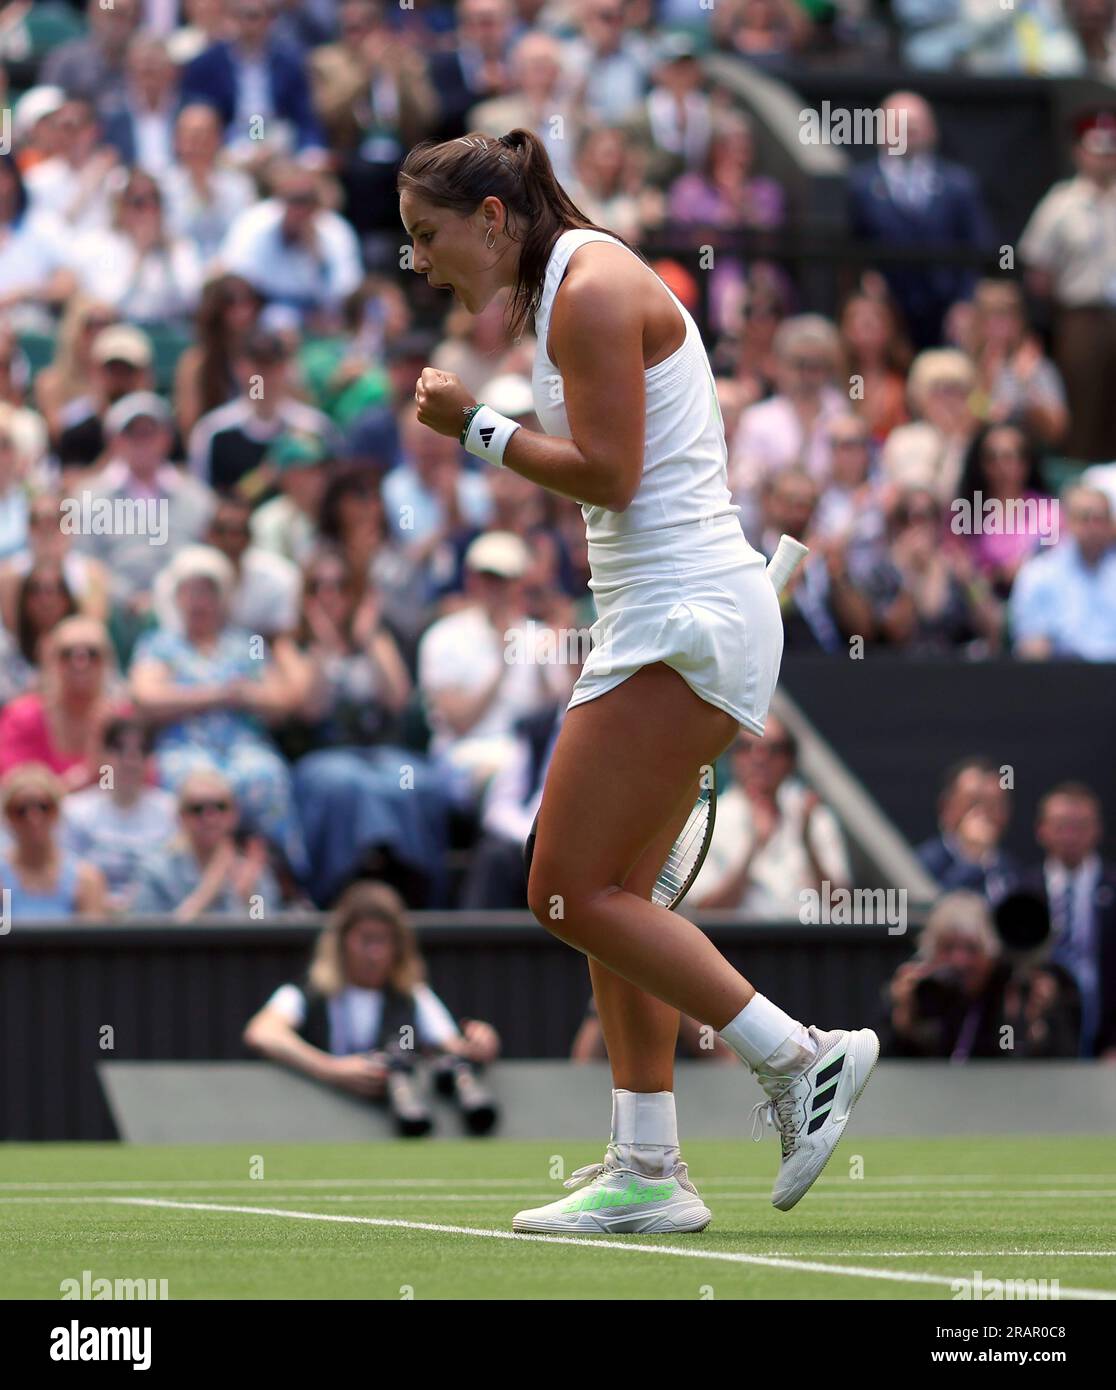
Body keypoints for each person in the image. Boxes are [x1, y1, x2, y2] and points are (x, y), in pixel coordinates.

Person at [399, 127, 879, 1233]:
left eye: (429, 238)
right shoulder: (569, 288)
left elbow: (611, 477)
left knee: (563, 889)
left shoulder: (592, 287)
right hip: (668, 614)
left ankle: (798, 1055)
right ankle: (648, 1169)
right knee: (617, 898)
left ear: (493, 219)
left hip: (685, 619)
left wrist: (471, 424)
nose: (419, 263)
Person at [243, 879, 500, 1097]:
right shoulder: (306, 993)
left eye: (383, 941)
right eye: (365, 940)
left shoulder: (413, 996)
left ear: (398, 945)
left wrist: (481, 1043)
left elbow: (454, 1047)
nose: (374, 953)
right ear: (342, 941)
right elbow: (262, 1032)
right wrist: (330, 1068)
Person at [1019, 108, 1116, 460]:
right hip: (1082, 317)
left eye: (1112, 148)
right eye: (1098, 148)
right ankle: (1081, 476)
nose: (1106, 156)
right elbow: (1038, 273)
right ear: (1079, 151)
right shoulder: (1061, 203)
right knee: (1083, 405)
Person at [880, 890, 1081, 1060]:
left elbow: (1057, 1062)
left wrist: (1033, 1026)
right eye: (948, 948)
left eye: (971, 949)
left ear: (992, 953)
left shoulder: (1013, 989)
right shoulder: (922, 991)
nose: (960, 962)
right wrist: (903, 1020)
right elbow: (885, 1068)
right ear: (930, 953)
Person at [690, 717, 853, 917]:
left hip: (809, 944)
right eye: (746, 747)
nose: (759, 758)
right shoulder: (702, 821)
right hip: (733, 946)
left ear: (790, 761)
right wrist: (756, 846)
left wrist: (807, 843)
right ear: (732, 756)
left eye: (774, 749)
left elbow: (841, 906)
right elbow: (703, 913)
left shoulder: (816, 818)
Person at [1018, 782, 1116, 1059]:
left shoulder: (1112, 887)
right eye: (1061, 825)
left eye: (1080, 825)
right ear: (1042, 830)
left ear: (1097, 830)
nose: (1070, 835)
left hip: (1104, 1029)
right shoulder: (1022, 890)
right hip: (1043, 1034)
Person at [61, 716, 178, 913]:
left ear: (151, 759)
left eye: (141, 750)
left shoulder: (171, 811)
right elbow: (65, 875)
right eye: (119, 749)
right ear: (103, 755)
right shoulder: (75, 810)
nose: (130, 760)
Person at [131, 768, 281, 920]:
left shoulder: (251, 871)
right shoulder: (156, 872)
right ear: (180, 817)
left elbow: (269, 933)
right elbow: (150, 939)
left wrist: (249, 897)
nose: (210, 818)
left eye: (220, 807)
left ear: (234, 814)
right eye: (197, 809)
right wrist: (209, 887)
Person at [0, 617, 126, 793]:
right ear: (51, 662)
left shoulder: (122, 720)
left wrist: (107, 766)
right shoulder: (23, 718)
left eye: (92, 654)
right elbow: (20, 799)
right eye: (67, 654)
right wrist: (87, 773)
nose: (80, 663)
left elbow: (114, 793)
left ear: (107, 663)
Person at [1009, 483, 1116, 661]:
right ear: (1068, 522)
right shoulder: (1038, 574)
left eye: (1100, 519)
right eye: (1085, 518)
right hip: (1063, 677)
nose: (1093, 527)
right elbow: (1029, 643)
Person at [0, 763, 108, 920]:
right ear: (7, 817)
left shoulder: (85, 880)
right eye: (21, 810)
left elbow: (94, 942)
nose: (34, 818)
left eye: (44, 807)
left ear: (58, 812)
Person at [916, 755, 1019, 902]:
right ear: (946, 807)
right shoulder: (924, 863)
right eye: (973, 802)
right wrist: (971, 858)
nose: (983, 814)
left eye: (994, 804)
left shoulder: (1010, 869)